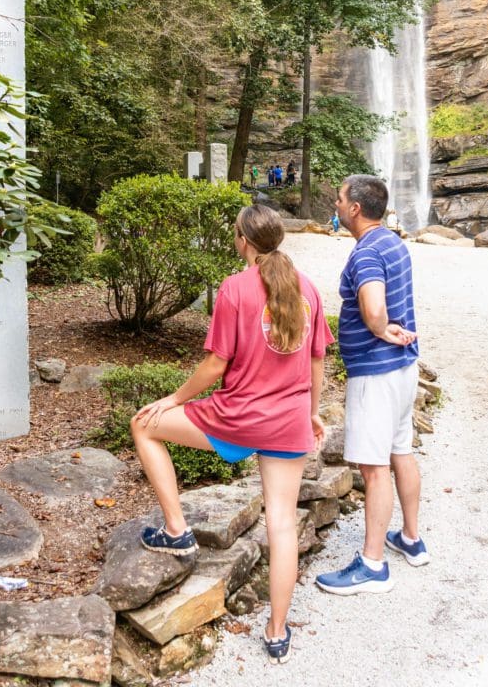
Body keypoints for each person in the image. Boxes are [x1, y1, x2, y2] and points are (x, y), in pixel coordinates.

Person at [131, 204, 333, 665]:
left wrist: (174, 399)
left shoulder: (235, 288)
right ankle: (277, 632)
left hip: (237, 419)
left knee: (143, 425)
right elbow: (317, 360)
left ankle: (177, 531)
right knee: (282, 524)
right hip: (288, 423)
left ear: (243, 240)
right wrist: (312, 413)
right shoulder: (308, 288)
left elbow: (216, 364)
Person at [315, 174, 427, 597]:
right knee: (401, 451)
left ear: (356, 208)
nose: (336, 204)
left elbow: (374, 306)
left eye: (339, 199)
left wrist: (380, 330)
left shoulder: (365, 253)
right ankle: (411, 539)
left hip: (375, 373)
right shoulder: (393, 242)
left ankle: (373, 565)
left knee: (374, 468)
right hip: (404, 369)